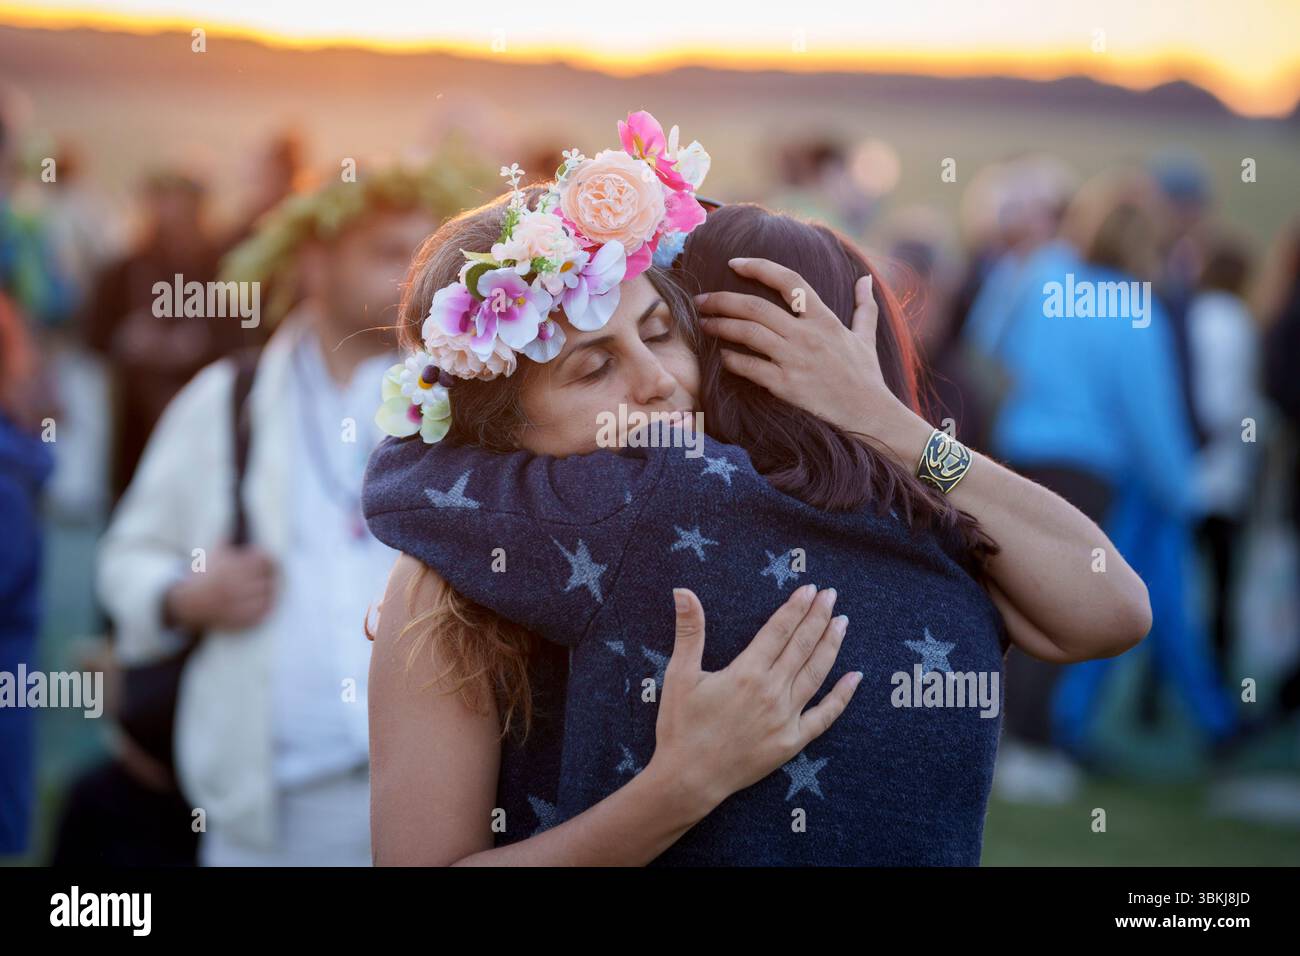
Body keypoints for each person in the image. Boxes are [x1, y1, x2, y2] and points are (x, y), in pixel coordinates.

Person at [362, 114, 1149, 865]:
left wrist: (883, 421)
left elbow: (1111, 607)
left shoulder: (812, 515)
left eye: (665, 334)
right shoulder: (448, 582)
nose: (657, 381)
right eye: (593, 367)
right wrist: (678, 790)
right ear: (496, 431)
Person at [92, 164, 460, 866]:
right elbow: (126, 556)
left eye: (422, 254)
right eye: (387, 252)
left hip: (432, 805)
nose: (412, 274)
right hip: (264, 816)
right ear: (315, 264)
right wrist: (183, 592)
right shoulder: (227, 398)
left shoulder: (466, 397)